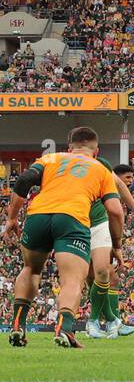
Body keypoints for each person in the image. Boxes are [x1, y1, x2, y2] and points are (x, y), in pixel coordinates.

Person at [3, 126, 124, 349]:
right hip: (72, 218)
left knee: (31, 269)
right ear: (96, 151)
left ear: (70, 148)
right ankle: (64, 329)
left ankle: (18, 324)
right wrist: (116, 244)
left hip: (38, 216)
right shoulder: (100, 169)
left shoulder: (50, 158)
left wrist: (12, 218)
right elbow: (116, 211)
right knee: (71, 279)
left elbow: (23, 181)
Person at [86, 162, 134, 339]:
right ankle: (105, 321)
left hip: (101, 235)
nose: (131, 181)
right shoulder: (103, 181)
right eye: (128, 177)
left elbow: (120, 187)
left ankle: (111, 321)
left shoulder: (111, 192)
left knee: (106, 278)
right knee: (97, 278)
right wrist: (117, 247)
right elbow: (114, 215)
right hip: (89, 230)